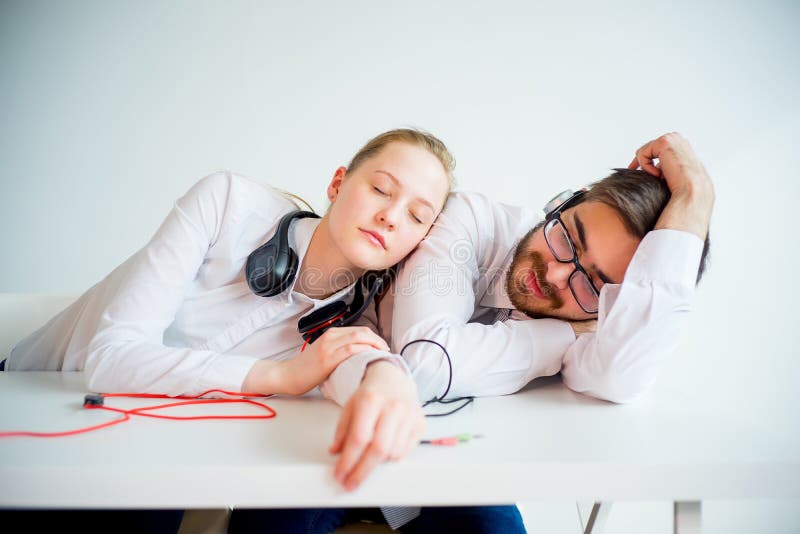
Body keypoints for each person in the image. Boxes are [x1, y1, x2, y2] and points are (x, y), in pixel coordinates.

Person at [3, 128, 456, 531]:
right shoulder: (226, 203)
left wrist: (391, 377)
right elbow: (113, 358)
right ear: (338, 183)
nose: (392, 216)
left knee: (154, 500)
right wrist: (279, 376)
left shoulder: (358, 317)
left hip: (148, 449)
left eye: (417, 217)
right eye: (381, 189)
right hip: (32, 411)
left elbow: (368, 365)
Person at [385, 131, 713, 405]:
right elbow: (424, 361)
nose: (555, 275)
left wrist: (694, 198)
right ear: (563, 203)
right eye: (568, 238)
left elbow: (617, 377)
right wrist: (565, 333)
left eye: (591, 284)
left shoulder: (601, 322)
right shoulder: (474, 220)